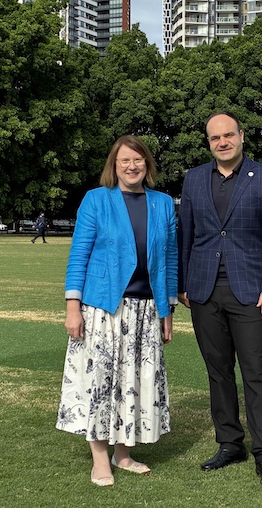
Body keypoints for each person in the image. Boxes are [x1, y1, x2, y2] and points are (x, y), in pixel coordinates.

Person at [56, 135, 178, 487]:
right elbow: (79, 255)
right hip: (103, 308)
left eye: (138, 160)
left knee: (135, 383)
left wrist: (167, 309)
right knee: (102, 383)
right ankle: (100, 460)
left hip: (146, 310)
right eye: (125, 160)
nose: (131, 166)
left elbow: (169, 260)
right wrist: (72, 307)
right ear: (114, 164)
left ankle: (123, 454)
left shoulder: (163, 204)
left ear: (147, 165)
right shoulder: (97, 200)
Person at [178, 111, 262, 489]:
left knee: (257, 373)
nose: (222, 142)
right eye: (215, 138)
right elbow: (186, 236)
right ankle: (229, 443)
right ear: (208, 143)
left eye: (229, 135)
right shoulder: (194, 179)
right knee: (218, 371)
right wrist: (182, 284)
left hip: (252, 292)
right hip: (204, 290)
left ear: (242, 137)